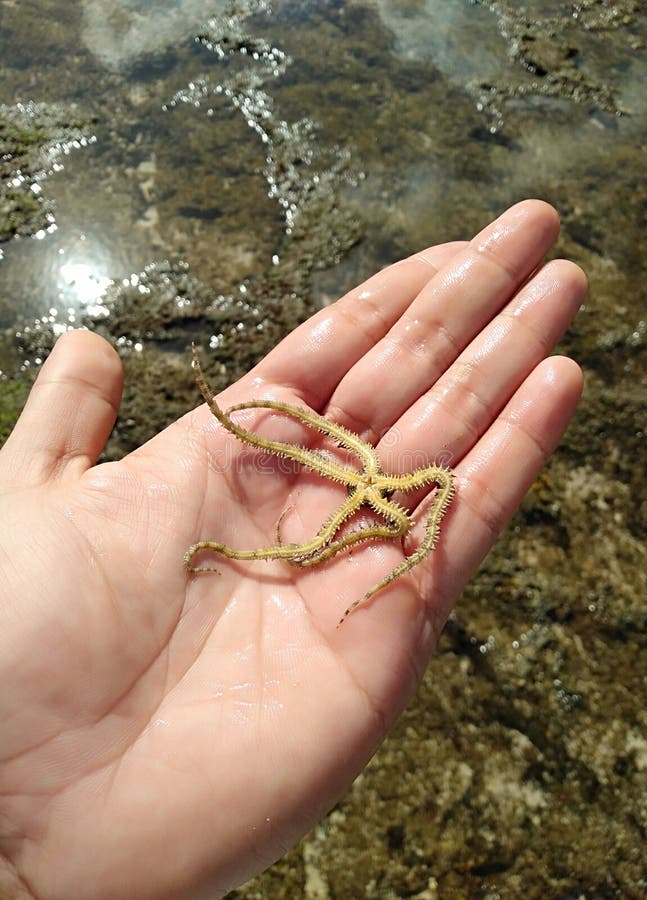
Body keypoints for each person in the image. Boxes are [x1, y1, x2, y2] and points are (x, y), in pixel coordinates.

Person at [0, 200, 585, 899]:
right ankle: (225, 413)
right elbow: (320, 458)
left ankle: (228, 417)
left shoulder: (386, 492)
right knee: (273, 443)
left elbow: (396, 516)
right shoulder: (370, 485)